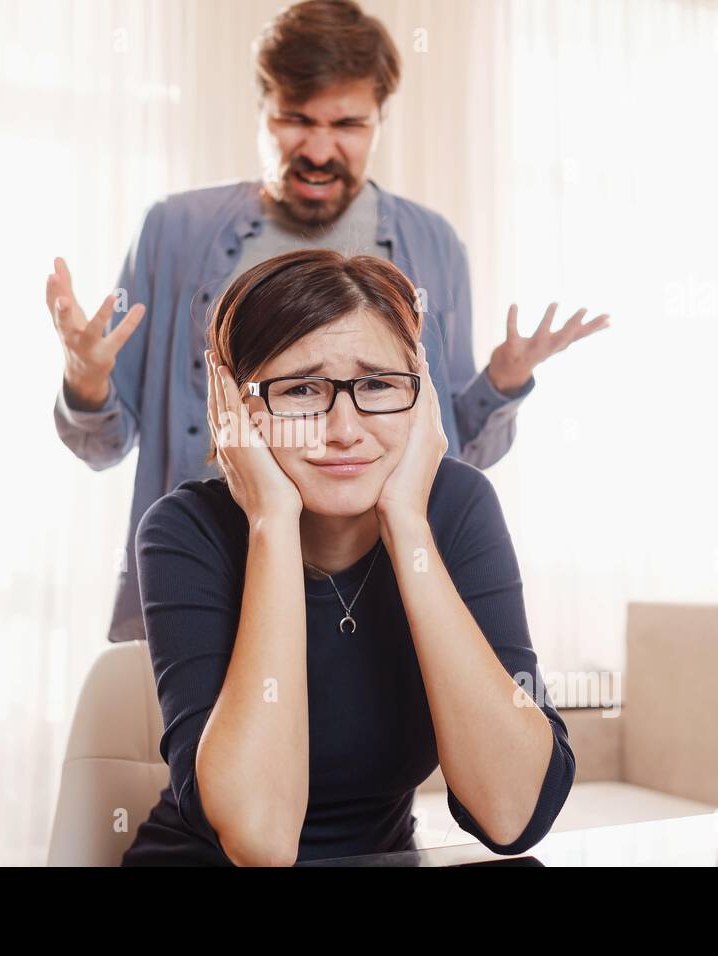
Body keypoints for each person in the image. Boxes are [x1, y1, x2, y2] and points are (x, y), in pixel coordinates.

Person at [48, 0, 609, 644]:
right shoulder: (175, 231)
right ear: (262, 110)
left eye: (347, 124)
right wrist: (85, 380)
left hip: (381, 596)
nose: (318, 149)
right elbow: (102, 444)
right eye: (294, 119)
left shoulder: (433, 245)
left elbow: (454, 450)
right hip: (209, 587)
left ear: (380, 120)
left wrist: (502, 385)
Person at [120, 250, 575, 866]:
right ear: (233, 403)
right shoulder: (185, 529)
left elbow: (513, 814)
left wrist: (409, 525)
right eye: (302, 389)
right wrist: (270, 522)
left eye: (378, 385)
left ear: (421, 395)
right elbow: (261, 841)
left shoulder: (458, 506)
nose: (345, 429)